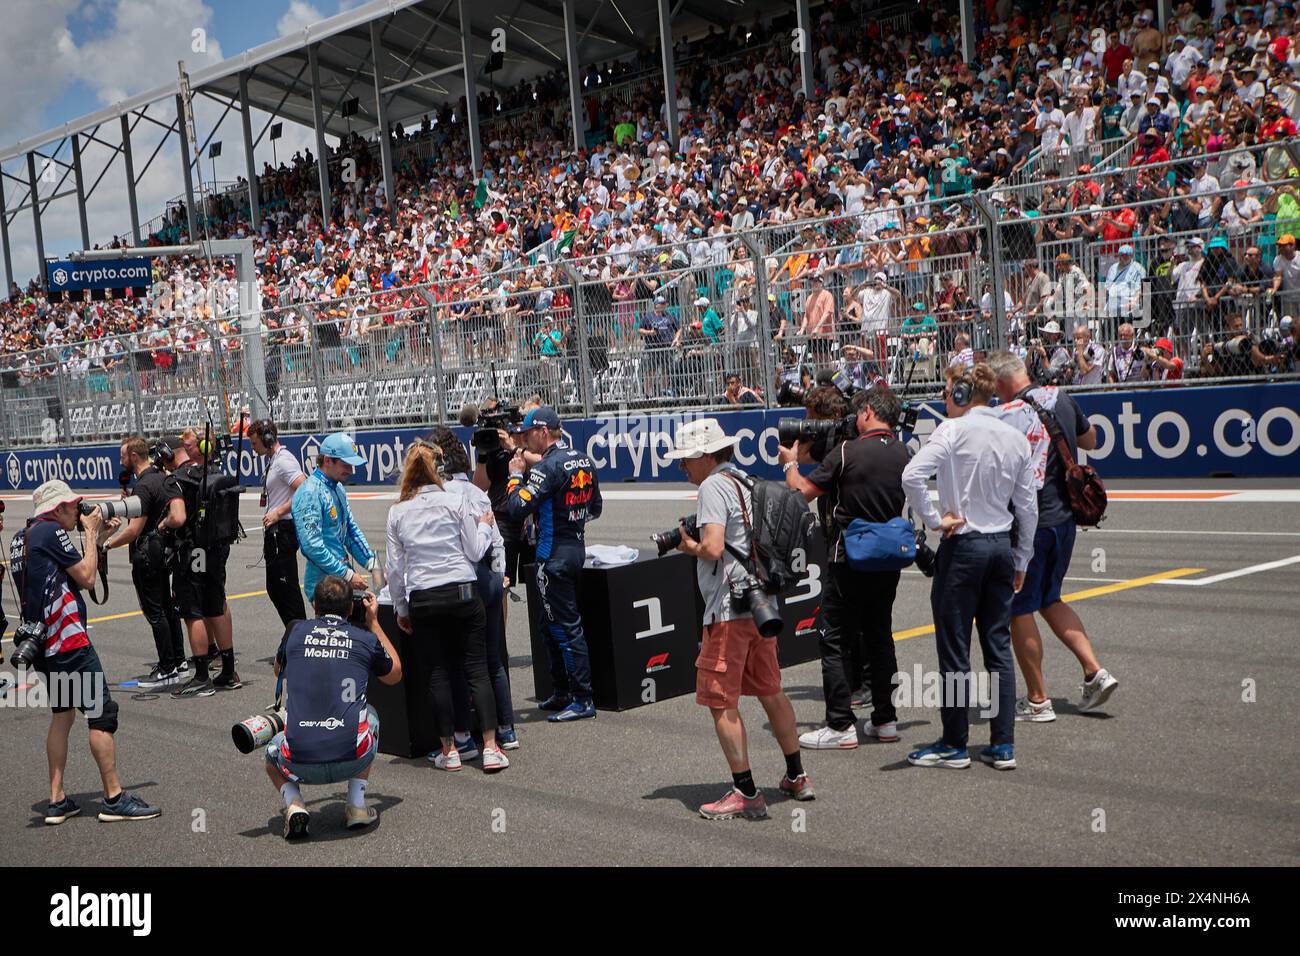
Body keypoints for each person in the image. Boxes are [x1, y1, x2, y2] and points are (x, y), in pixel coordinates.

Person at [667, 418, 812, 818]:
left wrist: (687, 545)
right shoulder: (743, 480)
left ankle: (745, 791)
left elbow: (713, 548)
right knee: (771, 691)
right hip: (760, 602)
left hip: (728, 610)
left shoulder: (714, 485)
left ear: (705, 456)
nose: (683, 468)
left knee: (720, 700)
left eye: (686, 460)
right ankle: (797, 776)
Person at [901, 365, 1038, 771]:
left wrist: (932, 517)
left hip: (963, 546)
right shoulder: (1015, 437)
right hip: (1000, 546)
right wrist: (1022, 558)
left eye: (947, 392)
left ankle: (955, 743)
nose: (945, 399)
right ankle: (1003, 744)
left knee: (955, 648)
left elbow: (912, 474)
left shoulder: (952, 430)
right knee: (998, 646)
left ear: (961, 394)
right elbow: (1027, 507)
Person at [10, 480, 161, 823]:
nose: (78, 511)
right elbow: (88, 578)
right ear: (57, 509)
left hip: (43, 646)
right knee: (101, 714)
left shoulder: (24, 537)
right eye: (73, 506)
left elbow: (67, 574)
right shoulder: (51, 533)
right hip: (70, 643)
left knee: (62, 715)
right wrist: (91, 535)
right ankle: (114, 798)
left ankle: (57, 799)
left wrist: (98, 539)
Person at [987, 351, 1120, 722]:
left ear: (1000, 384)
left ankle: (1038, 698)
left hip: (1030, 524)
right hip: (1065, 518)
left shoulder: (1006, 415)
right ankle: (1094, 670)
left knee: (1019, 607)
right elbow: (1090, 440)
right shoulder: (1059, 396)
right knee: (1050, 599)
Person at [778, 387, 911, 748]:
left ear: (867, 411)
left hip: (848, 557)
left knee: (833, 639)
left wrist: (790, 462)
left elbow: (799, 493)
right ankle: (885, 720)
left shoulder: (847, 451)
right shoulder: (903, 451)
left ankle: (839, 725)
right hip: (888, 559)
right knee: (880, 636)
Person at [386, 439, 509, 772]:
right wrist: (484, 526)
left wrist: (401, 609)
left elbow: (395, 570)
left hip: (424, 597)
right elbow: (473, 550)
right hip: (462, 591)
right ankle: (489, 748)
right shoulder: (455, 501)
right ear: (439, 470)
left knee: (437, 674)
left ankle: (449, 750)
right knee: (477, 669)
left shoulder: (398, 510)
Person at [267, 576, 402, 839]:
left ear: (314, 604)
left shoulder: (295, 630)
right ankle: (357, 805)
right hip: (353, 757)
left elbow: (278, 670)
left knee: (270, 750)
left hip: (297, 763)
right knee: (369, 715)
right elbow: (395, 674)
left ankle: (294, 803)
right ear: (351, 609)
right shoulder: (364, 638)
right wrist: (374, 623)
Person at [503, 406, 602, 722]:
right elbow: (595, 507)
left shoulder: (547, 467)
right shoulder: (583, 459)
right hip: (575, 549)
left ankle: (582, 698)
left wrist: (515, 476)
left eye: (528, 433)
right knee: (550, 626)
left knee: (564, 628)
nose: (524, 439)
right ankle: (562, 692)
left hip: (552, 556)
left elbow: (516, 507)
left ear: (542, 432)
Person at [429, 424, 519, 751]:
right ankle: (506, 730)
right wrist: (500, 576)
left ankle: (464, 737)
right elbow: (498, 544)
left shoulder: (443, 498)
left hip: (464, 583)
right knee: (493, 659)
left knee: (458, 662)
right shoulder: (479, 494)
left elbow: (470, 548)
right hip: (491, 580)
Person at [101, 436, 187, 689]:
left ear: (134, 457)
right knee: (167, 608)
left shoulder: (144, 486)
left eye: (123, 456)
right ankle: (178, 661)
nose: (121, 461)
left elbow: (134, 529)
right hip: (163, 551)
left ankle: (167, 667)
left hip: (147, 554)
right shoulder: (162, 477)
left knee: (155, 611)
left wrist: (107, 544)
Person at [169, 432, 241, 697]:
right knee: (217, 603)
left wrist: (164, 524)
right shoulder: (213, 473)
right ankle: (229, 671)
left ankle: (201, 676)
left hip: (193, 551)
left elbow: (178, 518)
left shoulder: (178, 480)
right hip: (218, 549)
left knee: (193, 611)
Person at [292, 432, 376, 605]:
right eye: (346, 464)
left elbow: (350, 531)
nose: (351, 471)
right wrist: (347, 574)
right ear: (328, 461)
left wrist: (373, 565)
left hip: (341, 579)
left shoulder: (337, 488)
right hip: (324, 587)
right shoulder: (310, 492)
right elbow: (311, 546)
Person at [250, 419, 307, 626]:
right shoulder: (273, 460)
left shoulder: (284, 460)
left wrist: (278, 512)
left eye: (255, 443)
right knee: (275, 588)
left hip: (283, 531)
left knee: (286, 588)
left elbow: (305, 488)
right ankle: (293, 631)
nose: (253, 448)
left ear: (267, 438)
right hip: (275, 533)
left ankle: (300, 634)